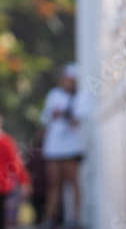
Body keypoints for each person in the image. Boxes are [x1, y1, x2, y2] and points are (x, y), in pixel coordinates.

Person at [38, 63, 91, 229]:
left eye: (69, 80)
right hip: (54, 147)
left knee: (73, 183)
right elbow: (45, 117)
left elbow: (78, 118)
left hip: (72, 147)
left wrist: (62, 114)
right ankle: (52, 217)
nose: (66, 83)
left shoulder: (82, 97)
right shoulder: (53, 95)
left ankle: (74, 218)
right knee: (54, 183)